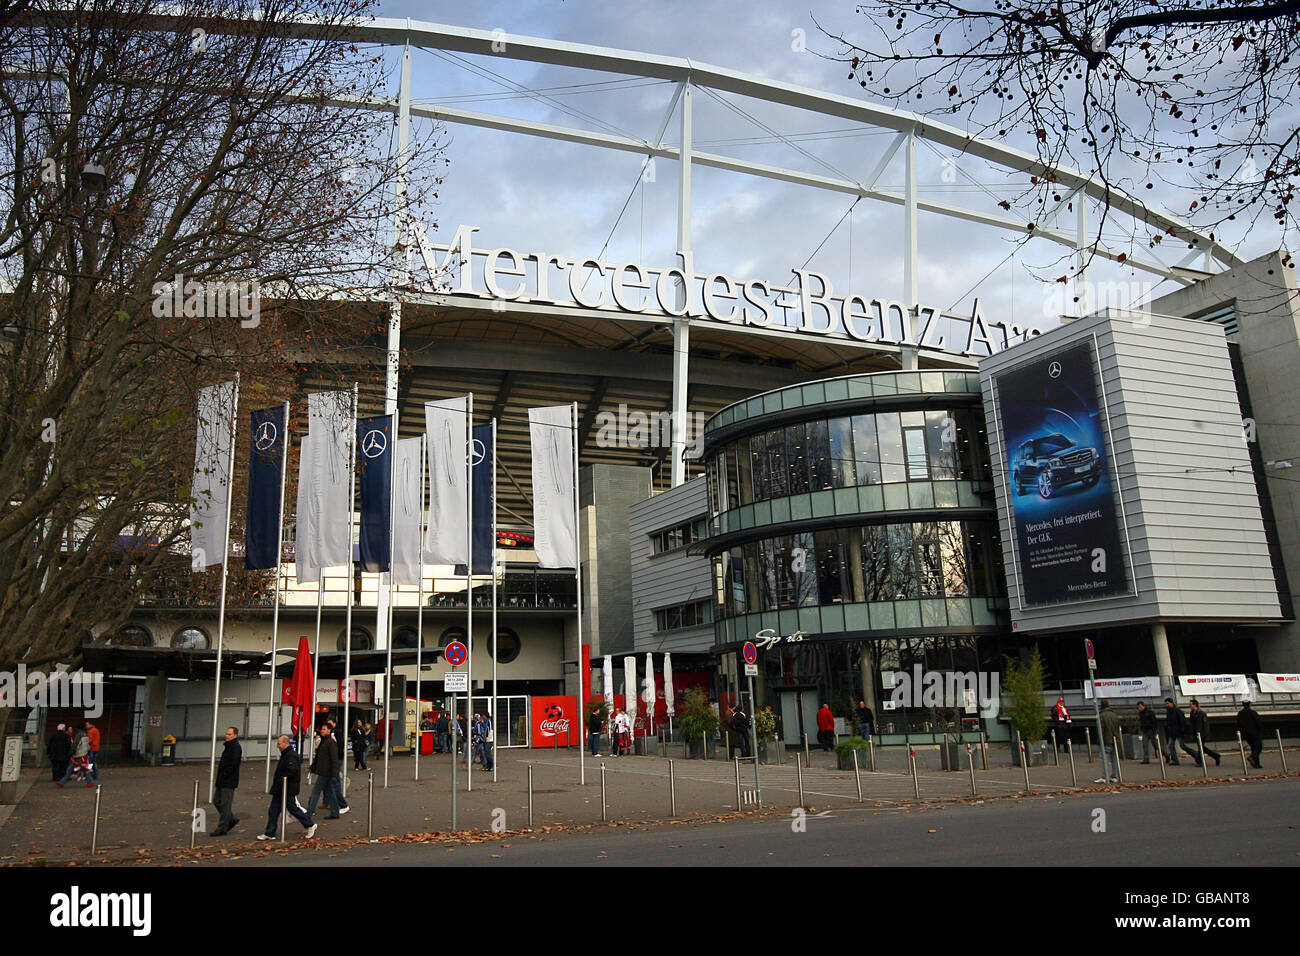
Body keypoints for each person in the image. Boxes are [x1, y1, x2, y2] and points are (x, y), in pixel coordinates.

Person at [259, 735, 317, 841]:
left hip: (287, 788)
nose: (278, 746)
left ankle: (309, 824)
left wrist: (282, 779)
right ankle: (270, 832)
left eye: (279, 744)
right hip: (281, 788)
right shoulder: (287, 755)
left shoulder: (291, 756)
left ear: (286, 743)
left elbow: (291, 771)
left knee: (291, 808)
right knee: (274, 810)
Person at [307, 724, 345, 819]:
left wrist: (334, 773)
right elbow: (318, 757)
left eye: (324, 729)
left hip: (326, 772)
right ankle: (335, 812)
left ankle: (309, 813)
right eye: (321, 729)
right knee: (330, 792)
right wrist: (312, 767)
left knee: (316, 792)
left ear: (329, 731)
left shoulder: (330, 742)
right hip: (325, 771)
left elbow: (334, 759)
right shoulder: (324, 741)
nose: (322, 731)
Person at [212, 726, 242, 836]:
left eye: (229, 734)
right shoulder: (229, 746)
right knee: (217, 801)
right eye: (227, 734)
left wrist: (225, 775)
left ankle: (222, 827)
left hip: (228, 780)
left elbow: (233, 764)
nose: (227, 736)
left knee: (225, 803)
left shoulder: (235, 747)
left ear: (235, 735)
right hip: (222, 779)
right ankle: (231, 818)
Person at [1164, 698, 1203, 767]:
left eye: (1168, 703)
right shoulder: (1168, 712)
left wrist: (1182, 730)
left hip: (1178, 731)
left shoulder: (1178, 711)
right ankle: (1174, 760)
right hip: (1172, 732)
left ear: (1172, 703)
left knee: (1182, 746)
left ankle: (1196, 754)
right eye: (1166, 704)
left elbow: (1182, 722)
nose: (1167, 705)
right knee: (1170, 745)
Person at [1187, 699, 1221, 767]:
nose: (1189, 706)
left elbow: (1205, 725)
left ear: (1195, 705)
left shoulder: (1201, 713)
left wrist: (1205, 734)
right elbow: (1192, 724)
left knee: (1200, 748)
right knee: (1202, 748)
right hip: (1196, 733)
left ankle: (1200, 761)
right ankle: (1216, 756)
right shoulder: (1192, 713)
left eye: (1190, 704)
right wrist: (1192, 733)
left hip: (1202, 733)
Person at [1096, 699, 1121, 783]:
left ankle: (1104, 776)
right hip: (1115, 739)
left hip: (1106, 740)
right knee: (1114, 759)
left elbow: (1101, 730)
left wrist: (1099, 740)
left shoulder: (1102, 716)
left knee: (1104, 758)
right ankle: (1115, 776)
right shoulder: (1114, 715)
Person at [1236, 699, 1263, 769]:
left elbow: (1238, 724)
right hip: (1254, 733)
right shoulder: (1253, 713)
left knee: (1253, 747)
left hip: (1246, 734)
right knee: (1258, 747)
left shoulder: (1240, 713)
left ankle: (1256, 763)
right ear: (1249, 705)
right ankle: (1252, 757)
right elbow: (1258, 723)